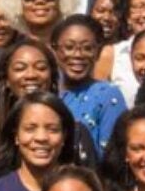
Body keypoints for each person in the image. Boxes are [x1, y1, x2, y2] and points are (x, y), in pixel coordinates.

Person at [53, 13, 124, 152]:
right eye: (69, 47)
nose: (78, 55)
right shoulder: (45, 92)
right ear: (55, 50)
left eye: (87, 48)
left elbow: (113, 155)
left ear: (97, 52)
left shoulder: (107, 96)